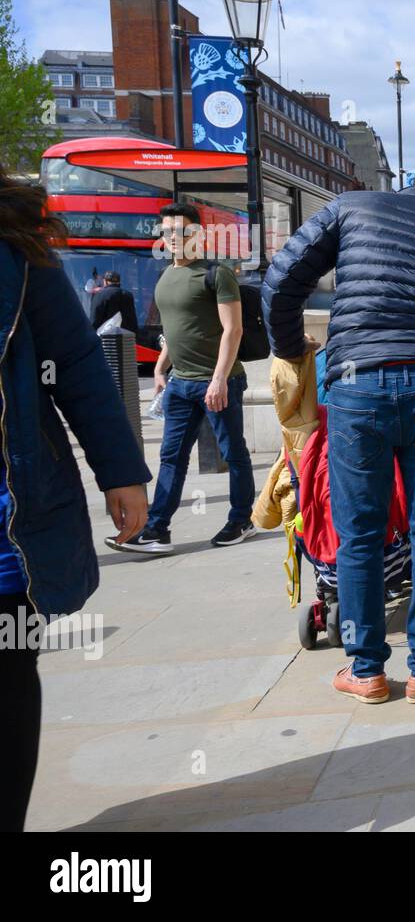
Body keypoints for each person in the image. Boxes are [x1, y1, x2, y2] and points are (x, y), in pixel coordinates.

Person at [262, 153, 415, 706]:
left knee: (359, 530)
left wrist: (292, 350)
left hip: (354, 386)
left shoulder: (348, 208)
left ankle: (366, 670)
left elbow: (279, 282)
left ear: (414, 183)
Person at [0, 169, 151, 831]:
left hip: (9, 513)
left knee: (7, 663)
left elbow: (79, 363)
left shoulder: (17, 250)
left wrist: (120, 470)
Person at [109, 204, 256, 555]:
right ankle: (157, 530)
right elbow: (178, 331)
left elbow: (232, 330)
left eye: (181, 232)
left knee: (233, 453)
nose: (173, 238)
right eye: (168, 232)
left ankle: (241, 520)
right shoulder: (166, 277)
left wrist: (219, 379)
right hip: (180, 384)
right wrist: (161, 367)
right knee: (171, 457)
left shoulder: (216, 273)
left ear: (197, 236)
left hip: (217, 382)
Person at [90, 270, 139, 337]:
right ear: (119, 282)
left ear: (105, 282)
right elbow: (133, 322)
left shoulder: (100, 295)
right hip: (126, 341)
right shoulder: (128, 295)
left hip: (106, 341)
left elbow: (94, 320)